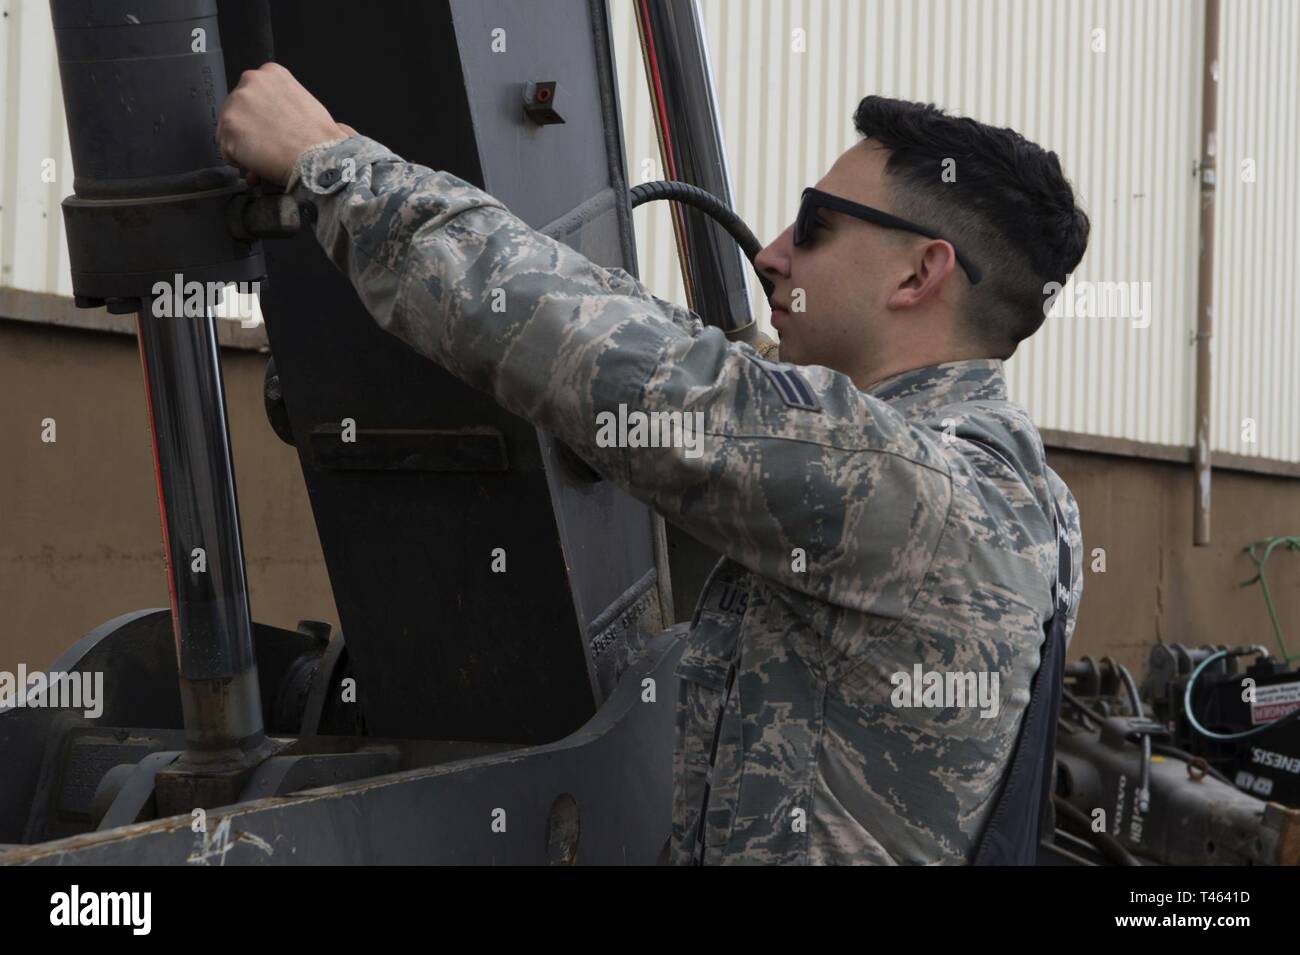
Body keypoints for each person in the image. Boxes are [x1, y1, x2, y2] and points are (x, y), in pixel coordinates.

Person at [217, 63, 1088, 865]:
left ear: (919, 274)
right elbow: (669, 356)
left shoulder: (915, 489)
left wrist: (332, 163)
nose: (772, 252)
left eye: (815, 225)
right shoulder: (1019, 490)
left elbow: (614, 361)